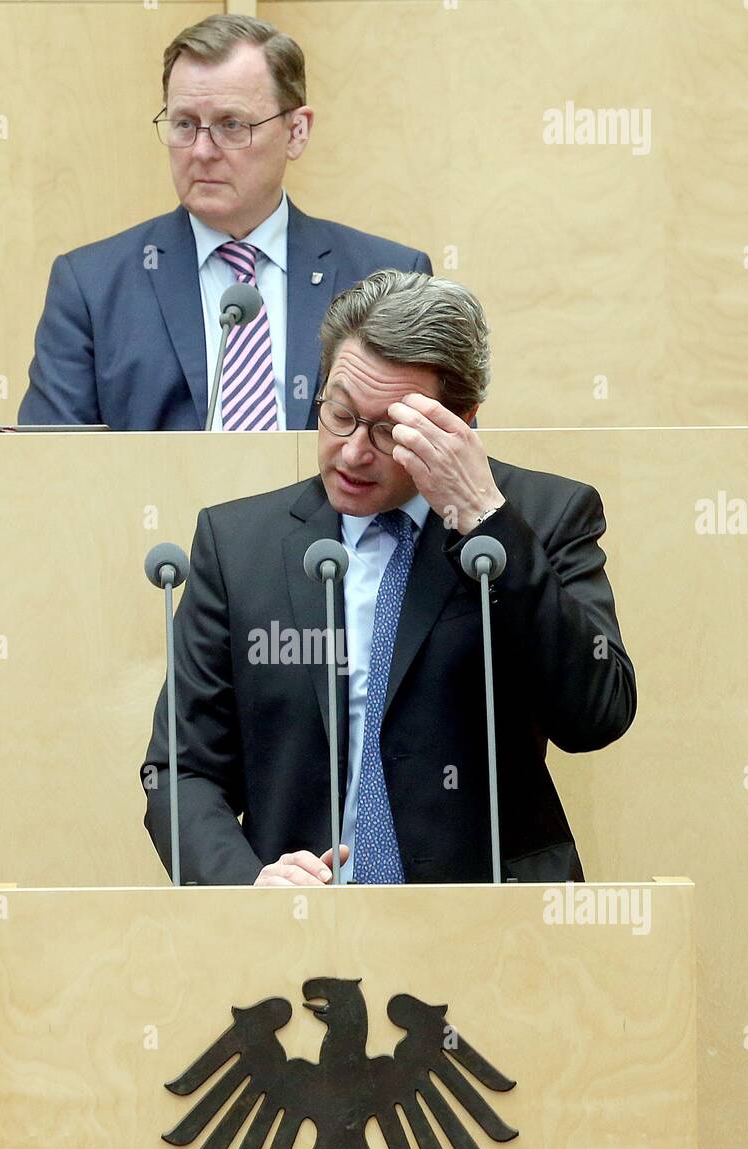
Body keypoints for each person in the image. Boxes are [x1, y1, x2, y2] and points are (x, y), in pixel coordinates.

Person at [140, 270, 637, 886]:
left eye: (388, 431)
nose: (351, 452)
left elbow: (596, 715)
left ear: (460, 421)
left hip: (496, 931)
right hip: (303, 942)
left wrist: (483, 518)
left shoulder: (541, 519)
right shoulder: (238, 546)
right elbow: (181, 771)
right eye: (340, 414)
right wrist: (247, 887)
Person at [18, 14, 432, 431]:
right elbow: (50, 470)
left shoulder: (390, 280)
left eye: (231, 125)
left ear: (296, 132)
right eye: (184, 124)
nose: (201, 150)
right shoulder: (91, 285)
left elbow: (440, 462)